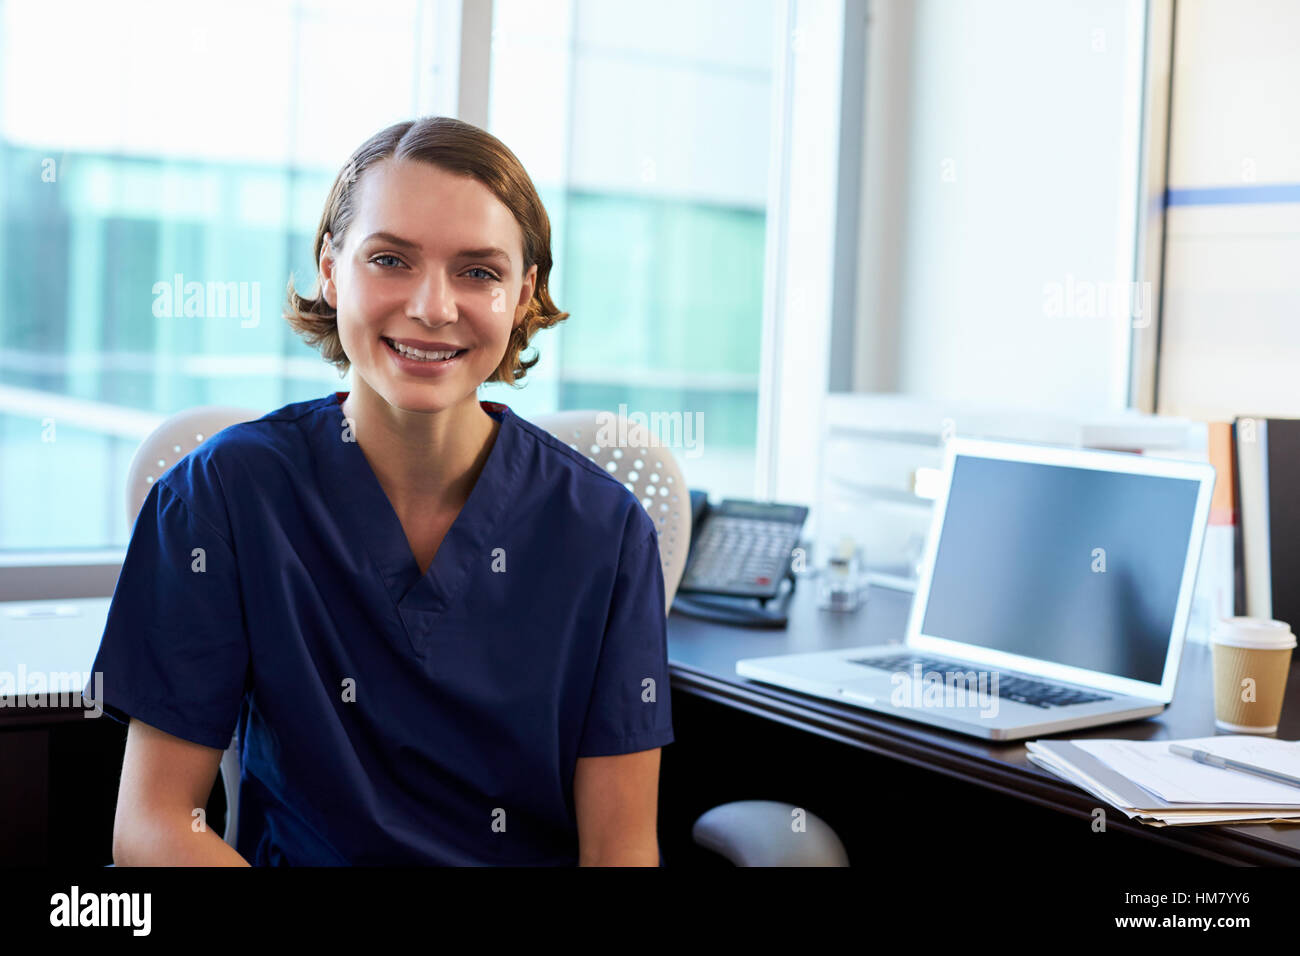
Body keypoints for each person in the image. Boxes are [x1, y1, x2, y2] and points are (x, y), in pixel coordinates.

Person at [90, 116, 674, 866]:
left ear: (523, 296)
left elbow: (620, 851)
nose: (433, 307)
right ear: (331, 270)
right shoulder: (224, 496)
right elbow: (155, 824)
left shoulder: (605, 531)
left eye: (479, 271)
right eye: (391, 259)